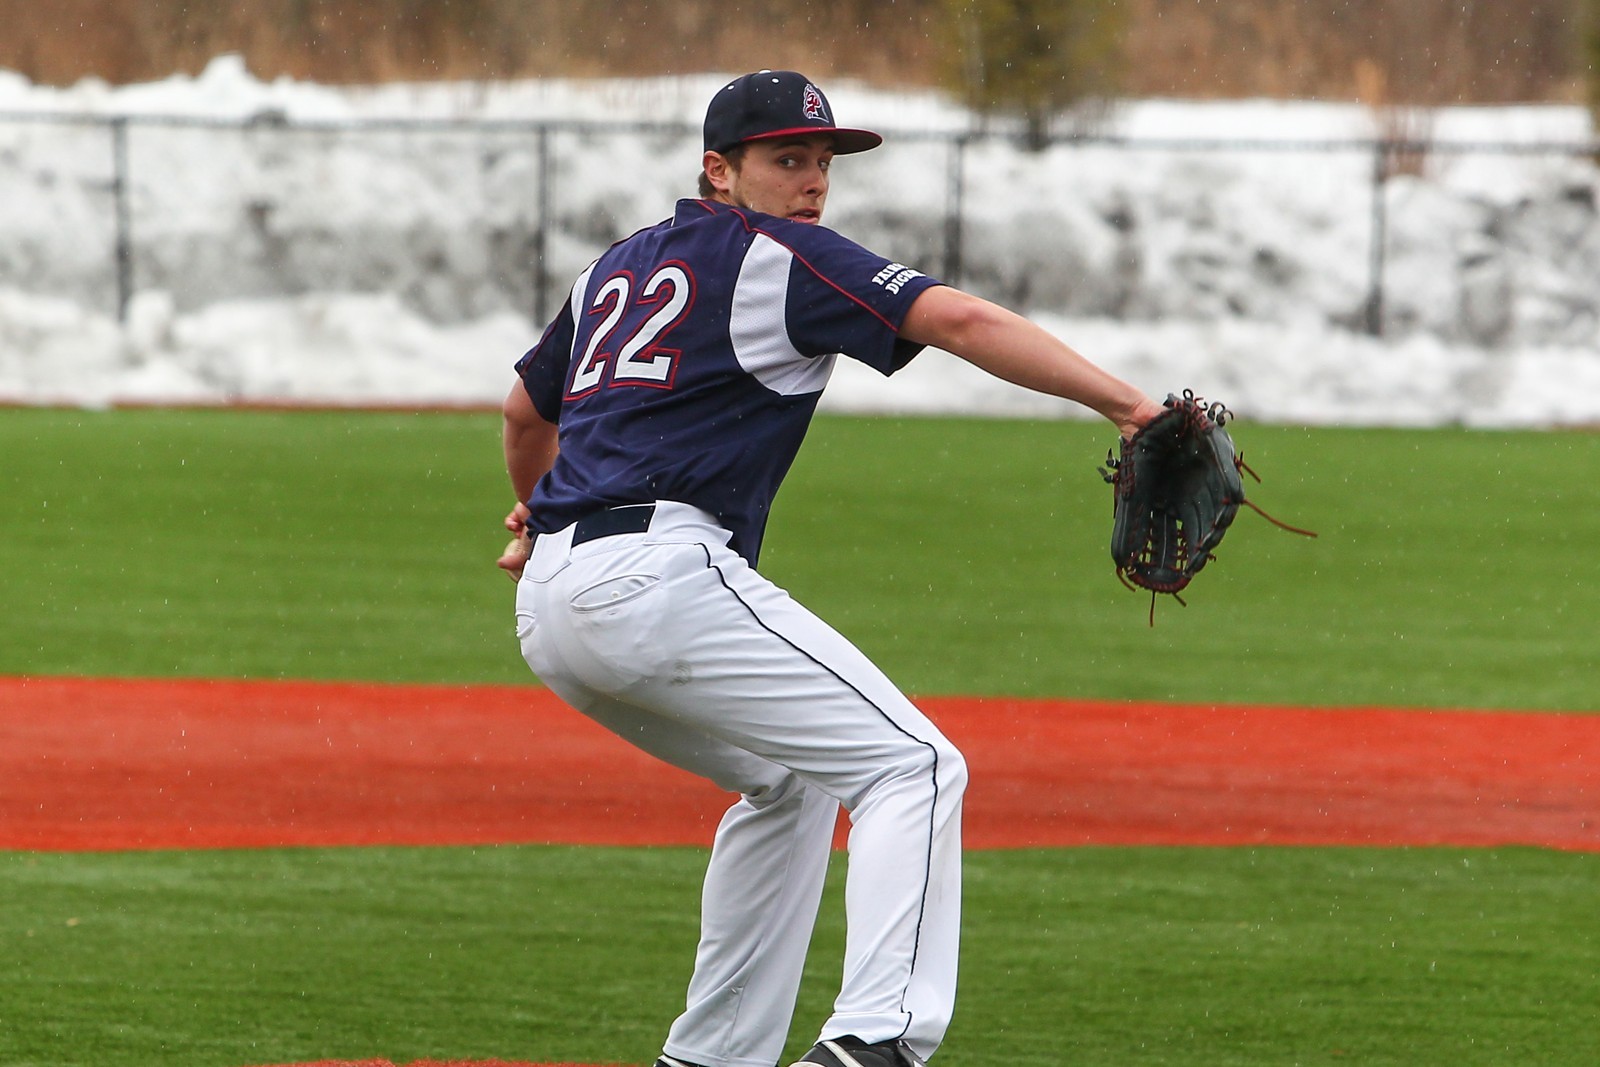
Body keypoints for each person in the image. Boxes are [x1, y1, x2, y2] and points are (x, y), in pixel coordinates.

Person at [499, 70, 1163, 1067]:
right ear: (718, 169)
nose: (811, 180)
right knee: (916, 765)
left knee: (791, 779)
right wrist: (1129, 406)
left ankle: (714, 1054)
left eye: (821, 160)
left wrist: (537, 509)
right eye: (785, 158)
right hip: (658, 577)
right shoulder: (780, 255)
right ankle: (875, 1039)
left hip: (554, 603)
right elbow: (960, 321)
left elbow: (525, 412)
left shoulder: (615, 266)